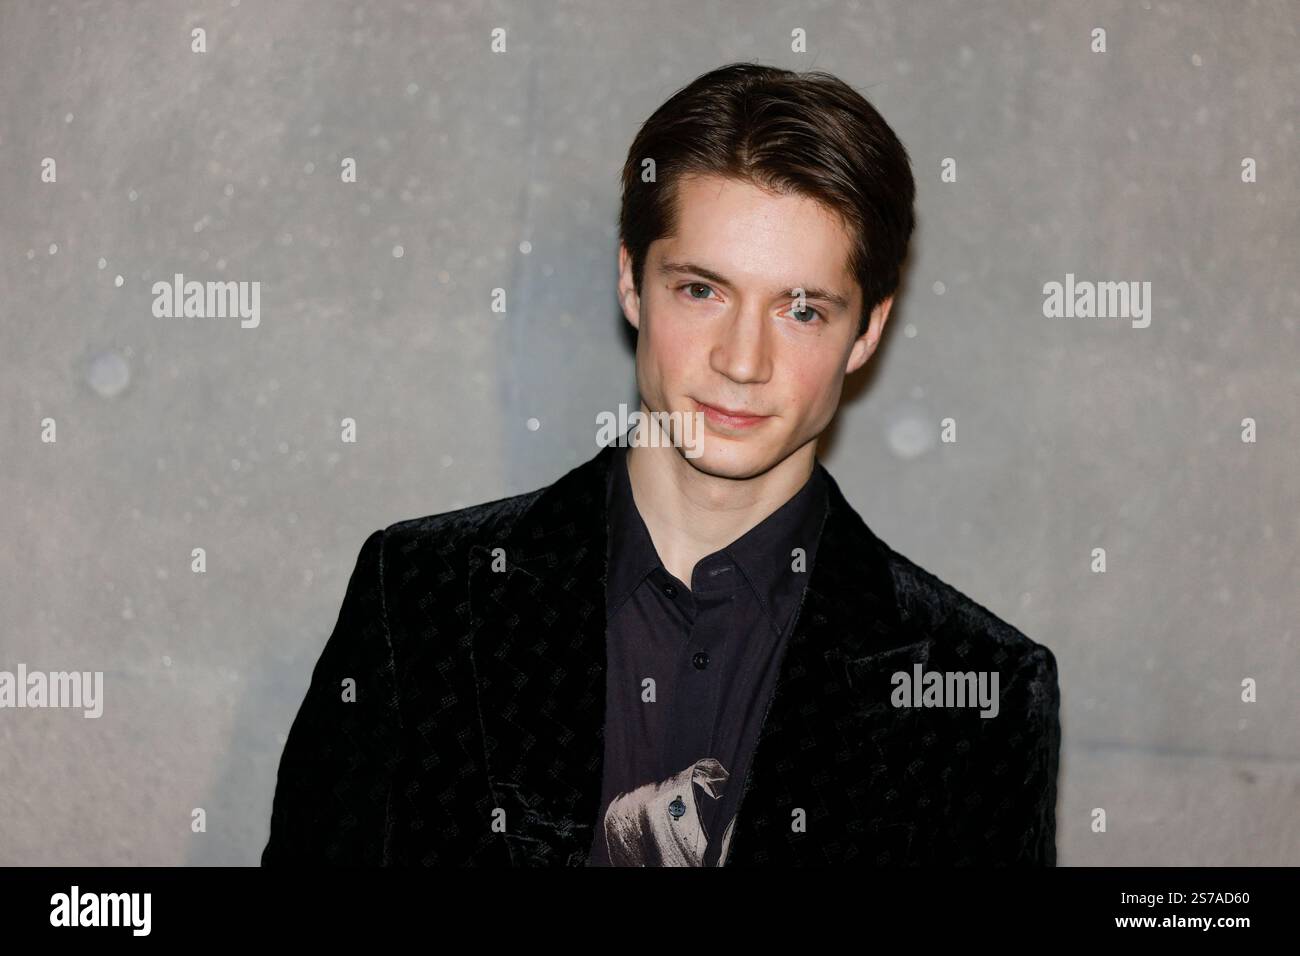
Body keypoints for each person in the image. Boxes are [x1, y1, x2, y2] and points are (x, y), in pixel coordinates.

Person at [262, 61, 1060, 867]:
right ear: (631, 283)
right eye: (702, 291)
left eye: (803, 308)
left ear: (866, 333)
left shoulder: (979, 690)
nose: (743, 361)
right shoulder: (420, 598)